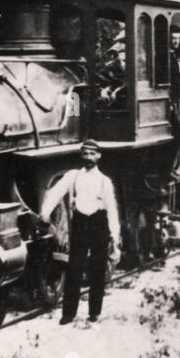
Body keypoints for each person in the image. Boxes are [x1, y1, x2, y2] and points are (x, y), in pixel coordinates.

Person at [40, 140, 122, 326]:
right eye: (85, 154)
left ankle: (94, 313)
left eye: (92, 154)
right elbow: (55, 192)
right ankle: (68, 314)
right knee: (74, 269)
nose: (88, 158)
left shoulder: (104, 181)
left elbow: (112, 210)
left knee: (97, 271)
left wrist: (114, 236)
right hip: (80, 224)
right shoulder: (73, 176)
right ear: (81, 155)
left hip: (98, 224)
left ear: (99, 156)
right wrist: (45, 212)